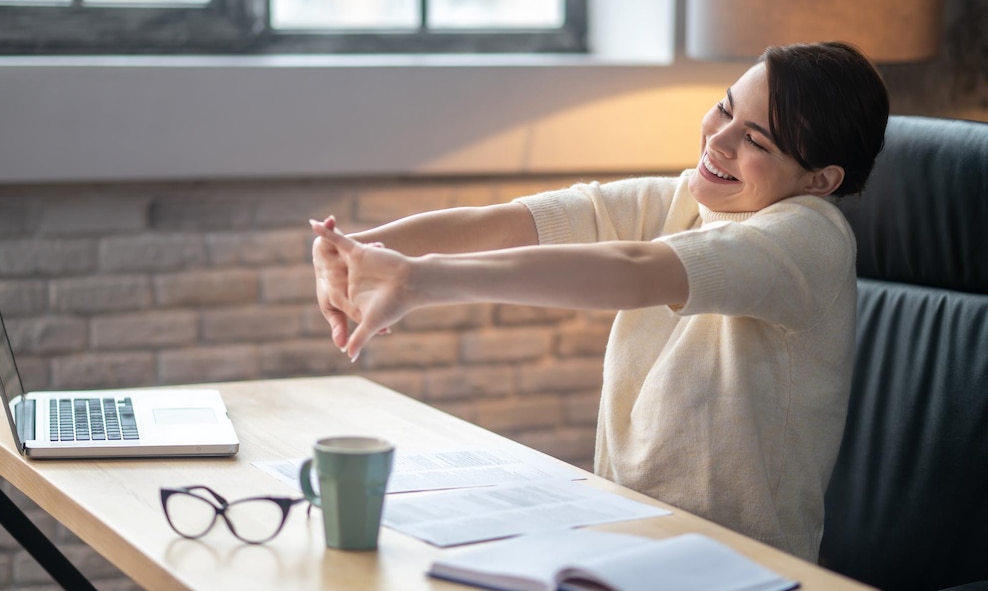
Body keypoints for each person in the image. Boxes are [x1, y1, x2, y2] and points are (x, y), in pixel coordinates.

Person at [310, 41, 890, 563]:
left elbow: (637, 271)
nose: (718, 138)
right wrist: (357, 252)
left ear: (820, 180)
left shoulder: (809, 237)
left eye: (755, 139)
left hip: (740, 563)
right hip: (626, 535)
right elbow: (512, 223)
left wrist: (419, 280)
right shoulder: (686, 198)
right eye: (724, 107)